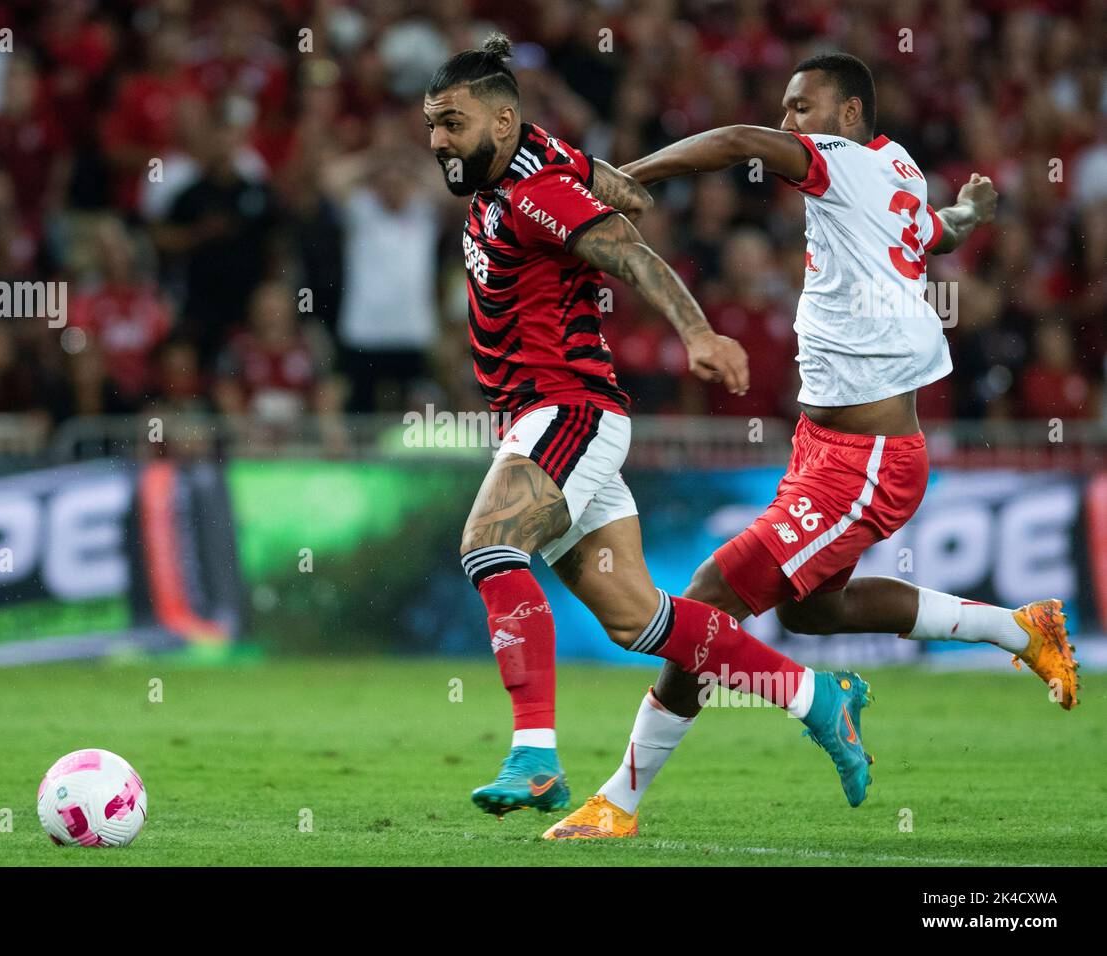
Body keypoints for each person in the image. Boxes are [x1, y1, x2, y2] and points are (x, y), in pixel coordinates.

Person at [545, 52, 1080, 840]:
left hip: (866, 463)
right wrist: (972, 213)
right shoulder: (896, 168)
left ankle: (618, 803)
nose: (789, 123)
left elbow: (736, 140)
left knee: (708, 594)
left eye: (803, 108)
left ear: (849, 117)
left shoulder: (843, 164)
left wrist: (621, 176)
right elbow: (935, 232)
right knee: (810, 611)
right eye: (786, 109)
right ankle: (1020, 629)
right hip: (822, 443)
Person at [428, 35, 878, 819]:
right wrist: (578, 172)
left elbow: (631, 248)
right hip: (544, 421)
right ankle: (815, 697)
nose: (437, 141)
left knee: (489, 546)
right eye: (432, 124)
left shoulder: (536, 192)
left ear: (501, 123)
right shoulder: (534, 165)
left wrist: (697, 333)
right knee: (639, 617)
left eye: (452, 124)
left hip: (567, 411)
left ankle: (535, 757)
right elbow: (627, 195)